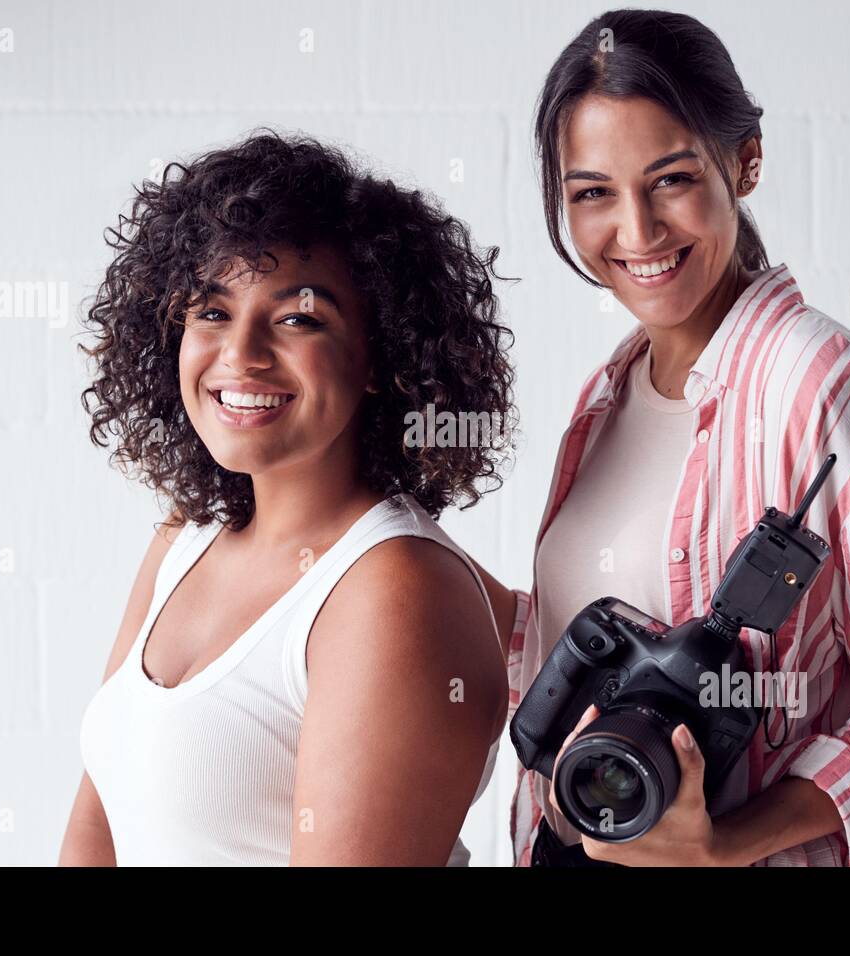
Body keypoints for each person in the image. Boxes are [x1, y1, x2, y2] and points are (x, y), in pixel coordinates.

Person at [480, 9, 850, 867]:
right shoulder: (606, 396)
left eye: (671, 179)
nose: (636, 233)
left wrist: (721, 846)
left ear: (745, 162)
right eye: (594, 192)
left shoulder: (823, 385)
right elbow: (586, 624)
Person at [58, 130, 518, 866]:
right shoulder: (187, 538)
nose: (240, 353)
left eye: (298, 318)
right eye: (211, 311)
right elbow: (95, 832)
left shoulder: (394, 590)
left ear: (379, 357)